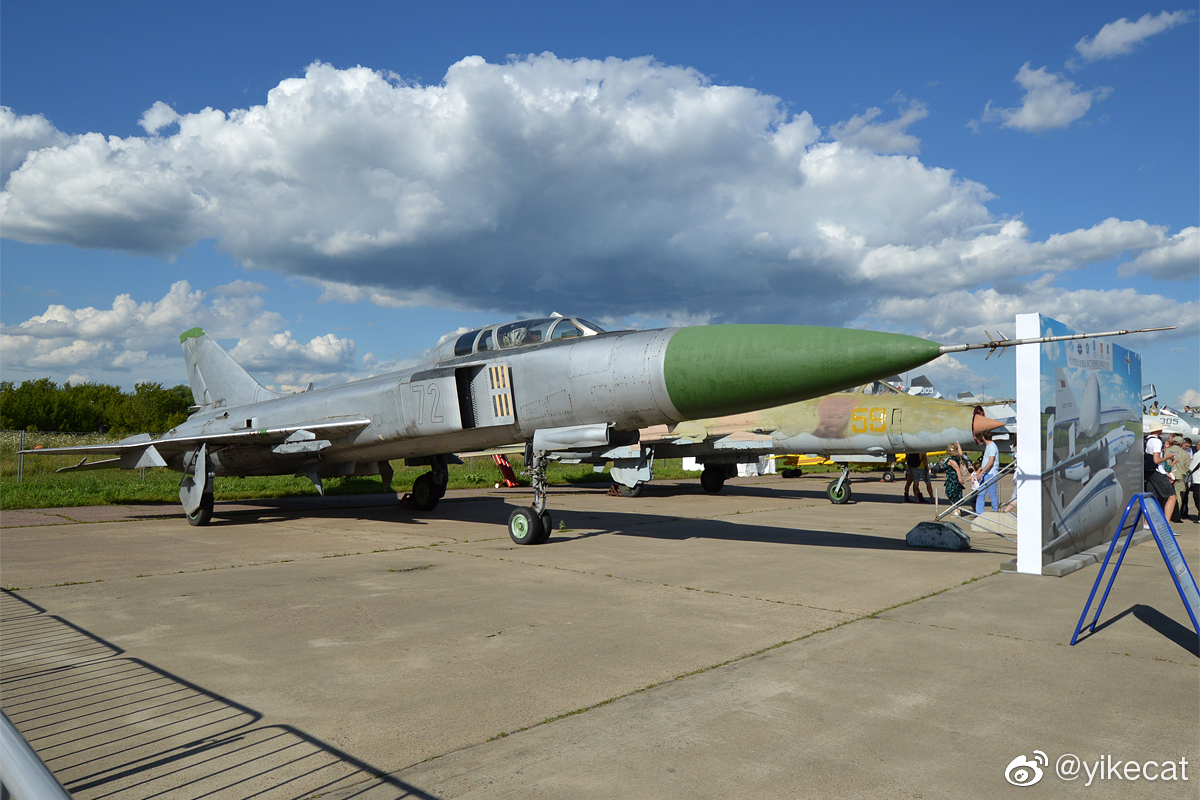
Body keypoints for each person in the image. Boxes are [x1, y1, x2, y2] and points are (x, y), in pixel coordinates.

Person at [1144, 426, 1176, 523]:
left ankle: (1147, 522)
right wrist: (1168, 457)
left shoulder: (1147, 440)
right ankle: (1166, 522)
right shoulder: (1157, 441)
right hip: (1157, 471)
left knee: (1152, 496)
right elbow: (1157, 460)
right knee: (1172, 496)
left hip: (1149, 471)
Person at [1165, 433, 1190, 523]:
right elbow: (1187, 466)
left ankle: (1167, 514)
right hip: (1180, 476)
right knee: (1178, 496)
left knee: (1167, 496)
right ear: (1181, 444)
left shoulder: (1167, 451)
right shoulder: (1184, 453)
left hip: (1168, 475)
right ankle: (1175, 514)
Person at [974, 431, 1000, 514]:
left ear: (983, 437)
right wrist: (980, 470)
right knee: (981, 493)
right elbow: (985, 461)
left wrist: (982, 472)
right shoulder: (988, 446)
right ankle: (979, 512)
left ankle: (995, 510)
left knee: (992, 494)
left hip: (991, 473)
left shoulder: (992, 447)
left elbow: (990, 462)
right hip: (985, 473)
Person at [942, 442, 971, 509]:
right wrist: (958, 444)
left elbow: (958, 470)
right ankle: (956, 508)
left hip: (953, 480)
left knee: (951, 494)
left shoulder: (952, 460)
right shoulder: (956, 457)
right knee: (955, 495)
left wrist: (960, 480)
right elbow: (960, 453)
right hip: (952, 479)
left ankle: (956, 510)